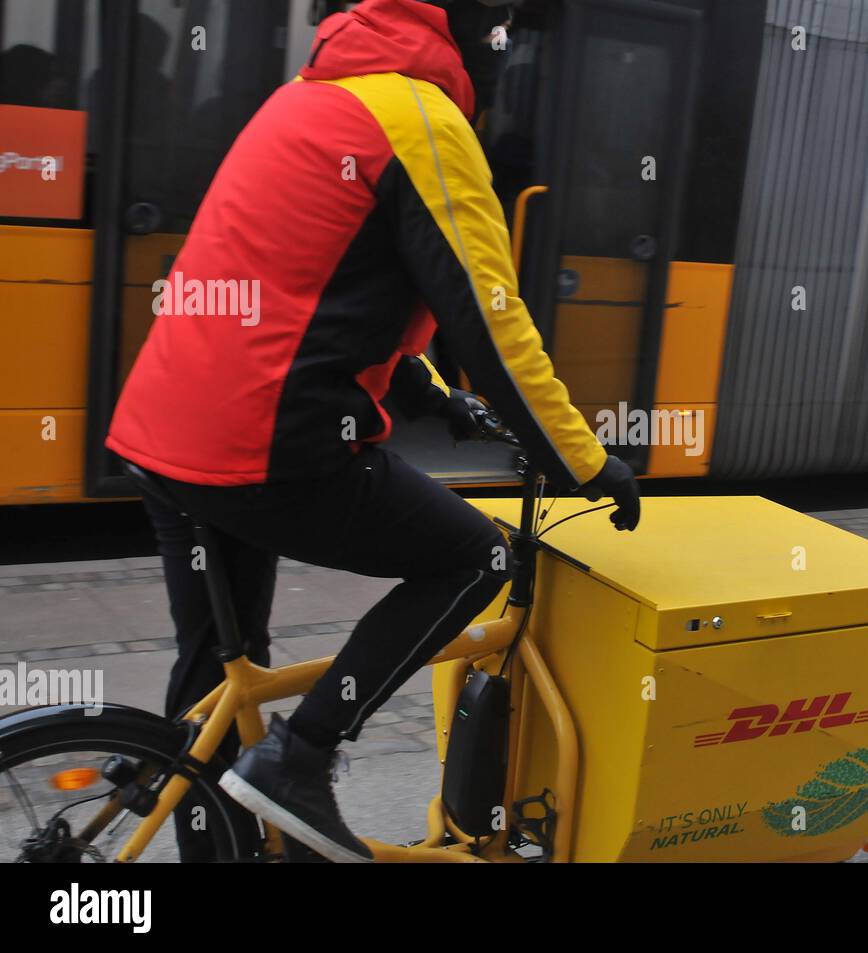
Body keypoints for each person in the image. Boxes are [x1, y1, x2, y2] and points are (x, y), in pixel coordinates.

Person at [106, 0, 639, 864]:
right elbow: (489, 318)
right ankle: (304, 757)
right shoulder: (421, 118)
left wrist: (433, 400)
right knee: (476, 558)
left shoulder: (301, 101)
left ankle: (219, 833)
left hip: (165, 434)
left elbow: (315, 291)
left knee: (214, 683)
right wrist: (580, 457)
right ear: (463, 31)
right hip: (265, 446)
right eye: (497, 32)